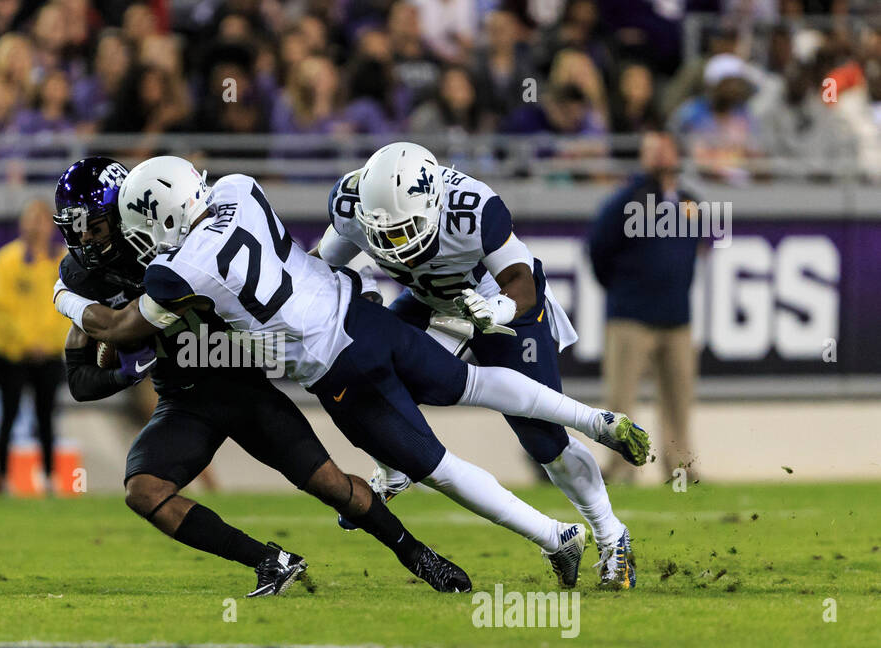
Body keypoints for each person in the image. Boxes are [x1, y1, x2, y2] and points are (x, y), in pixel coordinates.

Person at [63, 158, 654, 592]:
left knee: (445, 467)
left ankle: (562, 536)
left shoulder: (174, 272)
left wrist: (64, 296)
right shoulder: (241, 190)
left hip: (354, 355)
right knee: (465, 383)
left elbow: (116, 330)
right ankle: (595, 421)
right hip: (362, 315)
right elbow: (313, 256)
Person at [51, 157, 467, 597]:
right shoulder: (84, 276)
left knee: (332, 486)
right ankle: (270, 561)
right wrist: (130, 371)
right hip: (184, 399)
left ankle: (419, 555)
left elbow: (255, 276)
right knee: (144, 491)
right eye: (75, 229)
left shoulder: (178, 242)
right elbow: (80, 381)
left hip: (239, 381)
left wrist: (70, 303)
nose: (84, 241)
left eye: (93, 227)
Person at [319, 142, 638, 590]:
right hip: (431, 302)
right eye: (384, 234)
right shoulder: (354, 204)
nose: (396, 245)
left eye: (405, 229)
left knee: (542, 439)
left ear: (432, 205)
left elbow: (520, 280)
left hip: (495, 299)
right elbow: (322, 266)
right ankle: (391, 473)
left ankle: (611, 535)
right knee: (364, 374)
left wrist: (500, 312)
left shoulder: (472, 207)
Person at [588, 130, 704, 486]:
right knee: (621, 398)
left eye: (663, 150)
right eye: (650, 151)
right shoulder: (626, 201)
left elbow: (692, 252)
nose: (658, 158)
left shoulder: (689, 202)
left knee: (678, 401)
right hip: (631, 316)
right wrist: (625, 290)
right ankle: (621, 469)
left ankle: (680, 469)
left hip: (676, 318)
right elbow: (598, 249)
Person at [0, 198, 69, 491]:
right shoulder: (6, 260)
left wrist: (48, 344)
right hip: (11, 353)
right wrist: (27, 343)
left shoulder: (63, 263)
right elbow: (0, 307)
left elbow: (69, 311)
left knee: (46, 416)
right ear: (22, 223)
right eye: (31, 218)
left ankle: (49, 477)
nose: (36, 225)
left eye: (42, 219)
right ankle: (2, 477)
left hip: (49, 354)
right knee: (8, 412)